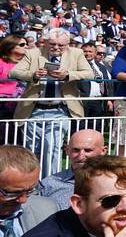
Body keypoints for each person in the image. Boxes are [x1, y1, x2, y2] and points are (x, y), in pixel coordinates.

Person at [12, 26, 94, 177]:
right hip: (33, 109)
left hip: (60, 110)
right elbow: (14, 72)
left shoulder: (76, 53)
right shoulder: (33, 53)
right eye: (52, 44)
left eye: (61, 45)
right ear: (45, 42)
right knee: (32, 149)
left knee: (52, 147)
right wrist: (34, 75)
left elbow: (89, 73)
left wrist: (68, 74)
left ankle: (50, 183)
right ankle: (33, 184)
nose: (56, 47)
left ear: (68, 44)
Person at [34, 129, 107, 210]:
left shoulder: (114, 182)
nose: (81, 156)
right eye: (76, 150)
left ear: (103, 151)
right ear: (67, 151)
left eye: (88, 150)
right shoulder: (49, 184)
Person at [0, 34, 29, 119]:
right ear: (10, 47)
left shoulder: (28, 63)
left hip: (23, 103)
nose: (26, 47)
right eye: (22, 45)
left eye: (26, 44)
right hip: (3, 102)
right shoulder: (1, 62)